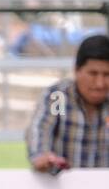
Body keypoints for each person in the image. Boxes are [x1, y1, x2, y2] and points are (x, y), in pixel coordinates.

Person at [27, 34, 109, 173]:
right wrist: (43, 156)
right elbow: (41, 129)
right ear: (77, 70)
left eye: (107, 75)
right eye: (93, 73)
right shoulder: (58, 97)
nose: (100, 83)